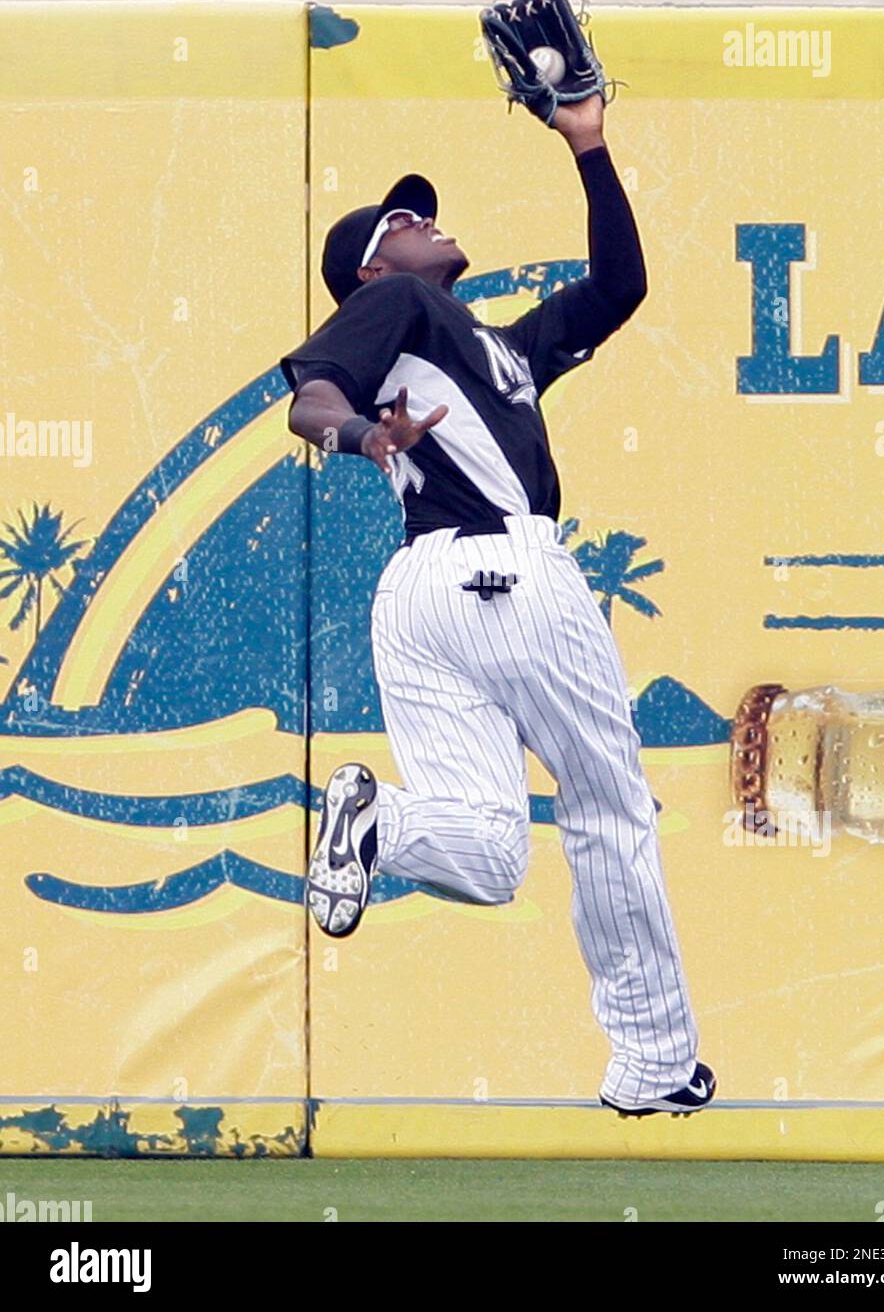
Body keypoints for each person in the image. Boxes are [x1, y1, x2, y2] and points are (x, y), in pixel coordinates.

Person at [280, 94, 715, 1118]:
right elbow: (310, 397)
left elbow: (619, 286)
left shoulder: (499, 348)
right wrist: (359, 437)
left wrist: (590, 147)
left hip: (425, 599)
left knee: (488, 853)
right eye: (401, 222)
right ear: (374, 273)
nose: (423, 219)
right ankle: (655, 1061)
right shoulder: (400, 308)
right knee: (607, 809)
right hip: (513, 572)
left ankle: (378, 819)